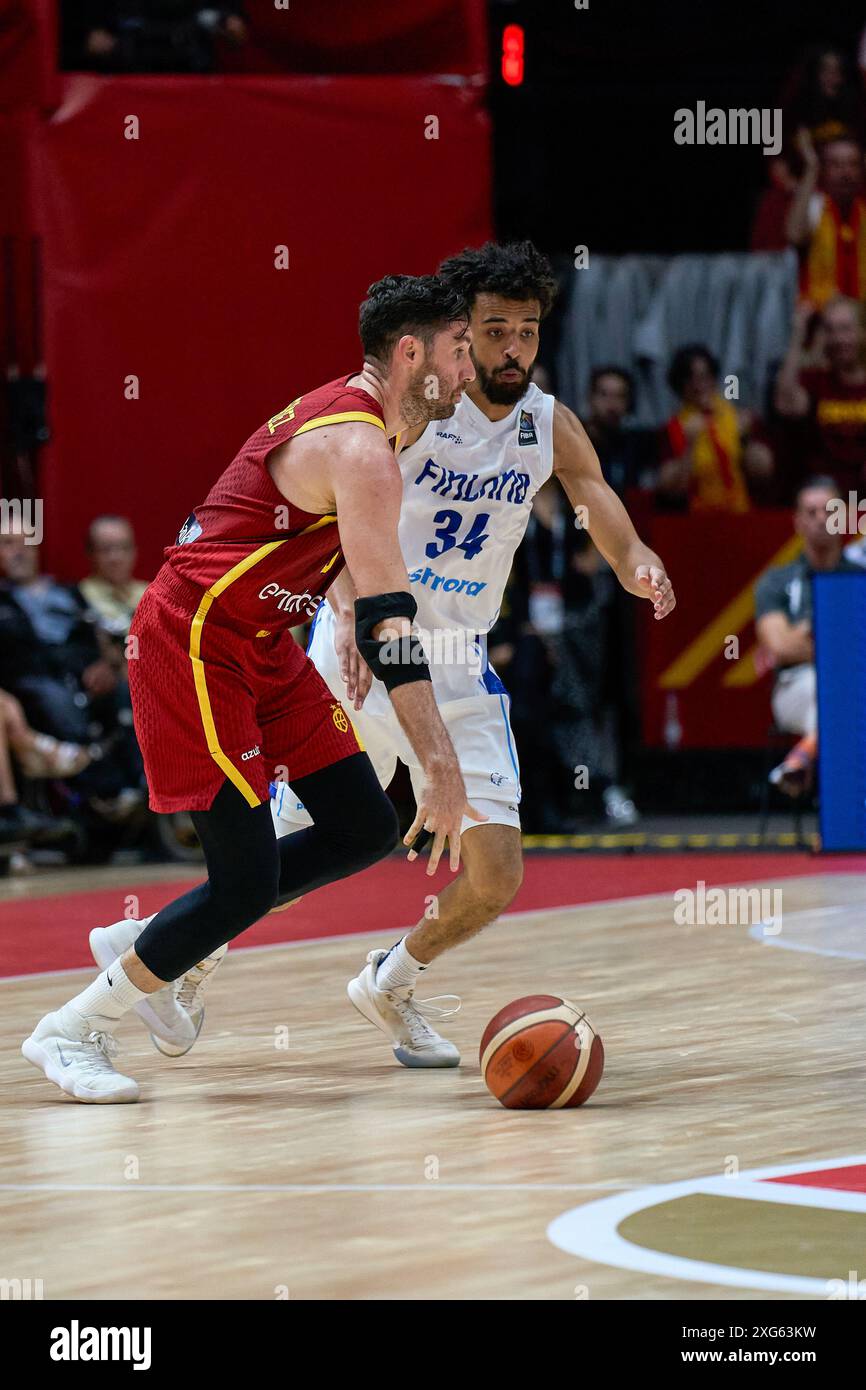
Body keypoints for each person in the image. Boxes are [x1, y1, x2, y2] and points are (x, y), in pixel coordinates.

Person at [21, 273, 483, 1103]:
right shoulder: (364, 446)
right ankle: (73, 1030)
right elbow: (393, 624)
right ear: (411, 352)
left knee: (360, 825)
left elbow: (310, 533)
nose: (469, 369)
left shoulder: (360, 421)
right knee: (245, 881)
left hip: (261, 642)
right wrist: (439, 767)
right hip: (196, 638)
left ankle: (159, 941)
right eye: (458, 350)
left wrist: (336, 608)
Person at [257, 241, 673, 1068]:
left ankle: (391, 980)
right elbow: (339, 516)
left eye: (527, 330)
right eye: (495, 330)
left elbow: (592, 495)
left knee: (496, 876)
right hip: (370, 648)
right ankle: (180, 957)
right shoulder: (415, 413)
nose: (514, 347)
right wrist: (344, 615)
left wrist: (637, 560)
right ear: (462, 332)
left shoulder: (547, 420)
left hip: (460, 657)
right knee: (287, 851)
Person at [754, 475, 859, 796]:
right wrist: (841, 641)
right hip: (795, 687)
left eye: (829, 511)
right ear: (797, 521)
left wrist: (809, 634)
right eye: (811, 512)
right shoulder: (776, 581)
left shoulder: (860, 579)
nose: (820, 520)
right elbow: (781, 647)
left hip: (855, 684)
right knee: (836, 694)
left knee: (847, 694)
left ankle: (802, 760)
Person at [657, 345, 773, 513]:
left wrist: (745, 439)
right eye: (690, 378)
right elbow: (672, 491)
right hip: (693, 519)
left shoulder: (738, 418)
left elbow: (764, 472)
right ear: (679, 384)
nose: (699, 385)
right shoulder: (671, 428)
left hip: (740, 514)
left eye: (704, 376)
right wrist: (689, 446)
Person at [775, 296, 866, 499]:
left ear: (862, 332)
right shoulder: (816, 380)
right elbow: (785, 404)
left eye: (845, 329)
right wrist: (798, 334)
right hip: (823, 490)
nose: (838, 339)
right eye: (830, 330)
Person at [786, 133, 866, 307]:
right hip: (822, 320)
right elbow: (793, 234)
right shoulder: (815, 207)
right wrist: (811, 168)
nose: (846, 173)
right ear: (824, 170)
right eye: (836, 165)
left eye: (852, 164)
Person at [79, 515, 149, 639]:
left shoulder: (150, 594)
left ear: (135, 551)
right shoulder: (77, 598)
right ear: (90, 553)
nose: (116, 557)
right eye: (106, 549)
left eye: (124, 547)